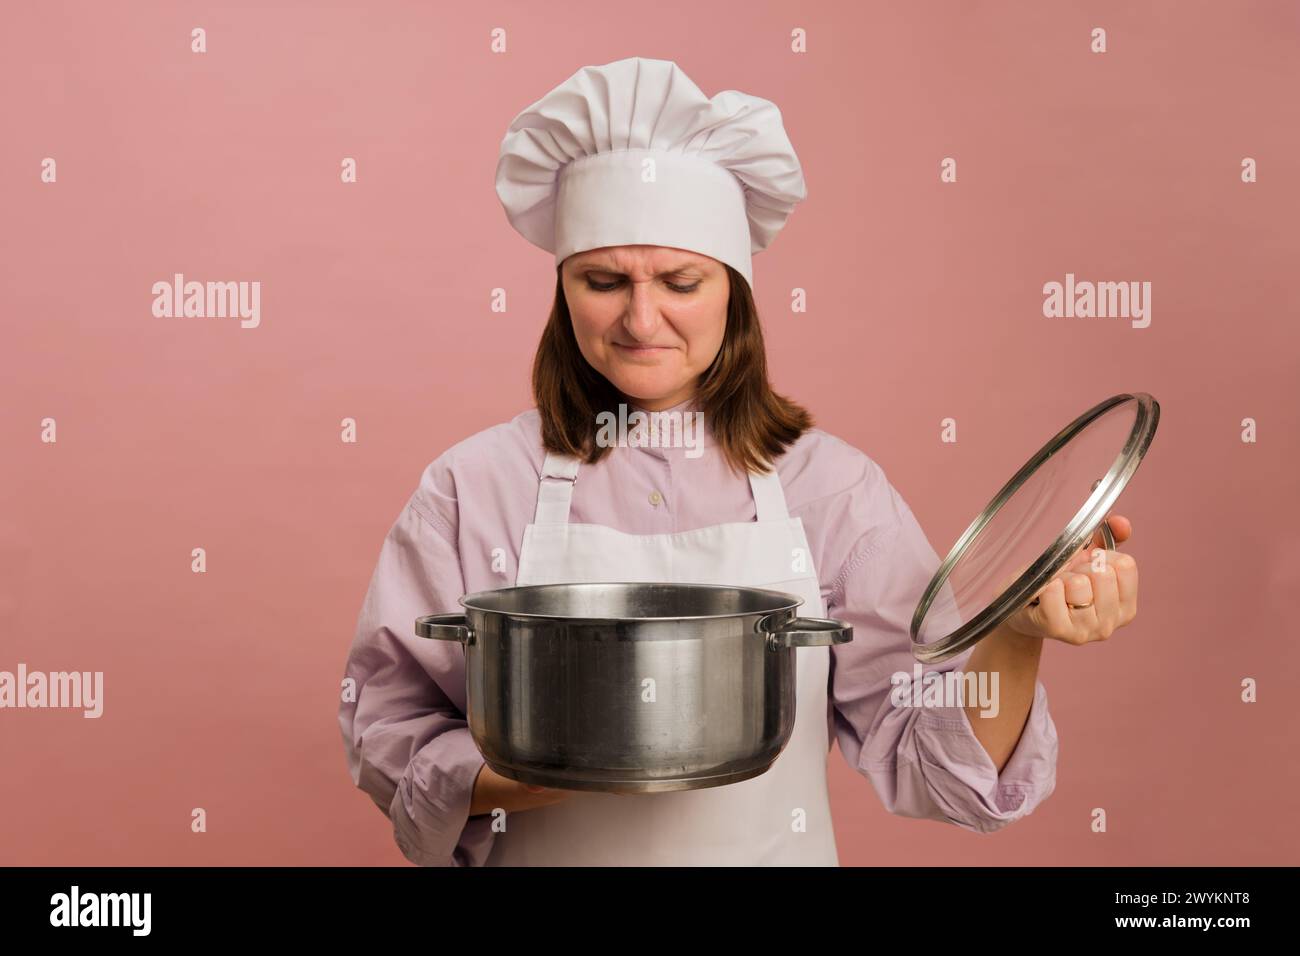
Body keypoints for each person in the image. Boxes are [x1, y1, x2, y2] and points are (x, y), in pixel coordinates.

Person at [337, 56, 1140, 866]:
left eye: (681, 281)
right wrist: (539, 769)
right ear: (561, 290)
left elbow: (938, 767)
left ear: (735, 291)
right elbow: (388, 723)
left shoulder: (830, 490)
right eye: (603, 280)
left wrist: (1019, 636)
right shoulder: (473, 486)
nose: (640, 318)